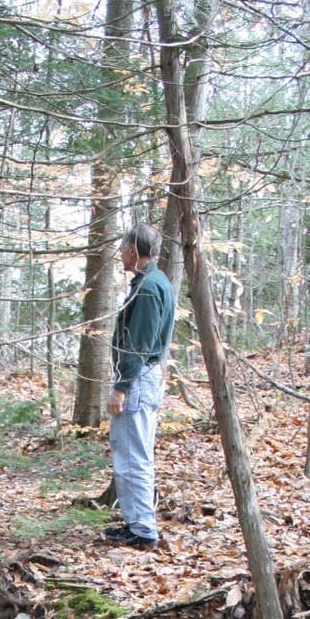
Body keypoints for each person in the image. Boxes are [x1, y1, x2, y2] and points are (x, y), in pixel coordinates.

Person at [103, 223, 175, 551]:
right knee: (133, 452)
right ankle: (136, 523)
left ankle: (143, 529)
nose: (120, 254)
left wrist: (121, 387)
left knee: (132, 455)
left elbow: (138, 344)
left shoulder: (147, 289)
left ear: (134, 249)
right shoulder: (154, 282)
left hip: (138, 378)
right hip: (147, 376)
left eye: (123, 247)